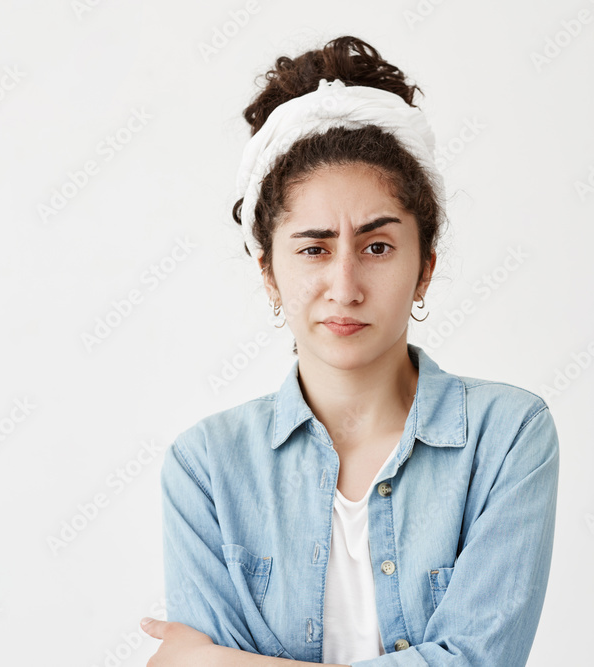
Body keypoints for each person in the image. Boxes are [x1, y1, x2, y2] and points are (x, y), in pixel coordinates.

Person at [140, 35, 559, 666]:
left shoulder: (506, 437)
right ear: (270, 274)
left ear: (425, 268)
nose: (345, 287)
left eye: (378, 246)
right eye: (313, 249)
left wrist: (223, 661)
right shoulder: (205, 468)